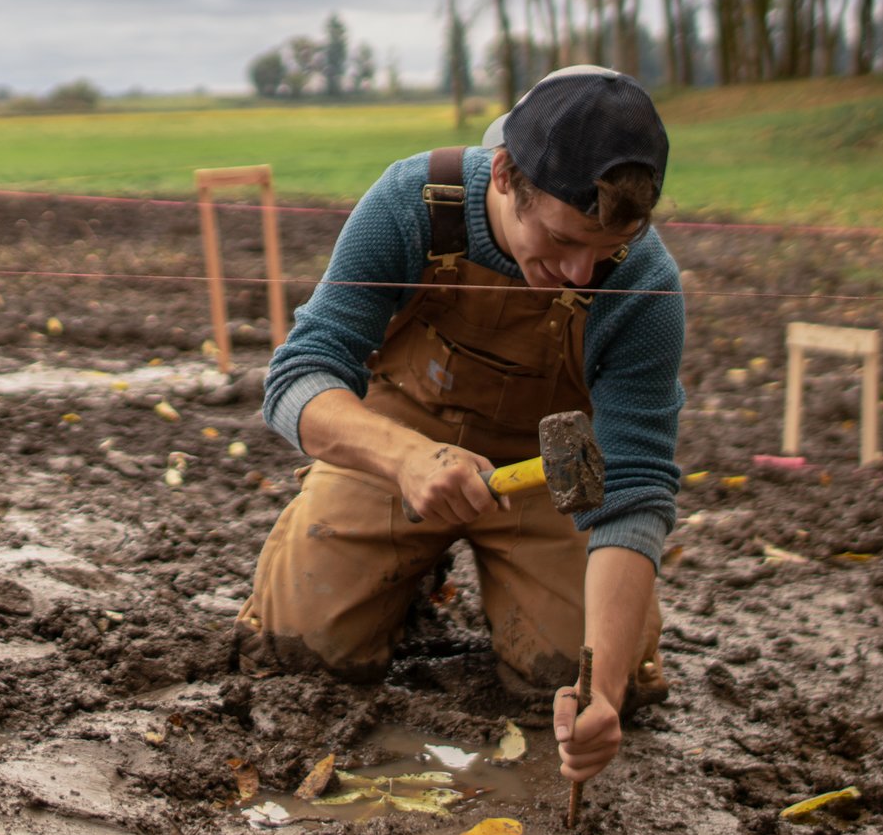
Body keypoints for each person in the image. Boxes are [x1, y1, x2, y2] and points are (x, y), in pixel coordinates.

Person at [234, 65, 684, 786]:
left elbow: (635, 489)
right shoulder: (415, 201)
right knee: (299, 647)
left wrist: (602, 692)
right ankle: (407, 573)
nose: (577, 272)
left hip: (549, 469)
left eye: (600, 254)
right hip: (398, 441)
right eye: (563, 240)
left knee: (568, 671)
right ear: (506, 174)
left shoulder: (643, 283)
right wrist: (408, 458)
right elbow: (298, 376)